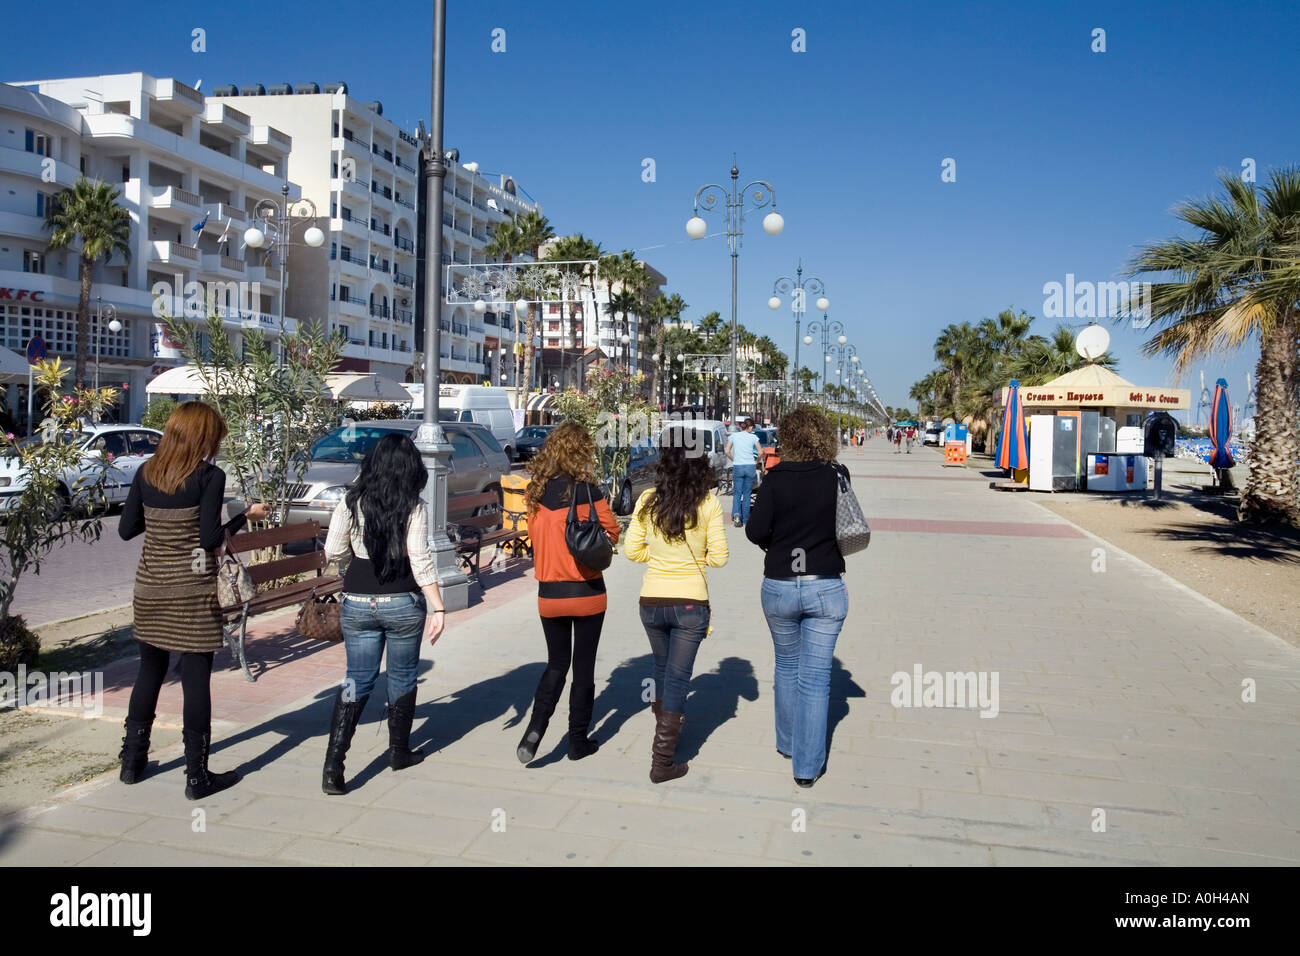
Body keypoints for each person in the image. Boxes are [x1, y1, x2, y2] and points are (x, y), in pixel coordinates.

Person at [117, 401, 268, 800]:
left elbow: (126, 530)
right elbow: (208, 539)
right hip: (191, 591)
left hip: (149, 588)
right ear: (203, 436)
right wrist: (243, 516)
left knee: (149, 670)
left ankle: (132, 764)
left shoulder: (147, 471)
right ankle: (197, 777)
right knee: (196, 676)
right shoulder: (209, 476)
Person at [321, 433, 445, 795]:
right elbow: (420, 560)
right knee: (403, 678)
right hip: (402, 601)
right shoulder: (414, 506)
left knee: (355, 680)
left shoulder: (350, 501)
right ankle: (398, 751)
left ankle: (333, 765)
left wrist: (352, 569)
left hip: (357, 600)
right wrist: (438, 606)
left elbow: (332, 550)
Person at [745, 405, 849, 788]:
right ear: (823, 435)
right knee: (816, 678)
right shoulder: (837, 475)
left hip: (780, 586)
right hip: (825, 585)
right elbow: (847, 523)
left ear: (786, 438)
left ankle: (787, 743)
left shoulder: (775, 478)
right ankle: (806, 767)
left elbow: (755, 531)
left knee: (787, 665)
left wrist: (778, 541)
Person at [624, 442, 729, 783]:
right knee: (679, 677)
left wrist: (657, 560)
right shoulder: (708, 503)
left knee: (661, 668)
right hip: (689, 605)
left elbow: (631, 551)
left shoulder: (647, 501)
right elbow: (720, 557)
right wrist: (696, 560)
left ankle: (663, 737)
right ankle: (662, 761)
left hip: (651, 601)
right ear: (699, 469)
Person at [517, 421, 620, 763]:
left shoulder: (534, 493)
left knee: (556, 663)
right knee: (584, 668)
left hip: (550, 595)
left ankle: (535, 728)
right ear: (582, 451)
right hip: (588, 591)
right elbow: (613, 532)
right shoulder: (588, 491)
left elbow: (535, 537)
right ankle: (577, 741)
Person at [724, 417, 761, 527]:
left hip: (738, 466)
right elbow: (760, 452)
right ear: (750, 427)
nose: (752, 430)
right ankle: (745, 519)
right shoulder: (754, 437)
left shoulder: (733, 436)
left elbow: (726, 451)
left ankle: (736, 515)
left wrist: (733, 459)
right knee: (747, 494)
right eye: (752, 428)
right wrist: (756, 462)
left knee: (737, 493)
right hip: (750, 467)